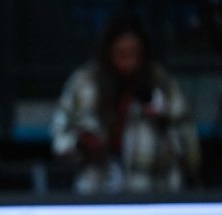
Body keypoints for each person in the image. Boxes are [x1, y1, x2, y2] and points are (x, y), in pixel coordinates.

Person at [50, 14, 201, 194]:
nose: (129, 62)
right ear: (108, 53)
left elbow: (192, 154)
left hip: (155, 193)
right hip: (96, 194)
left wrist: (163, 121)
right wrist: (80, 144)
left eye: (134, 53)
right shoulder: (84, 83)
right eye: (122, 54)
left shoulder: (162, 84)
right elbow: (58, 139)